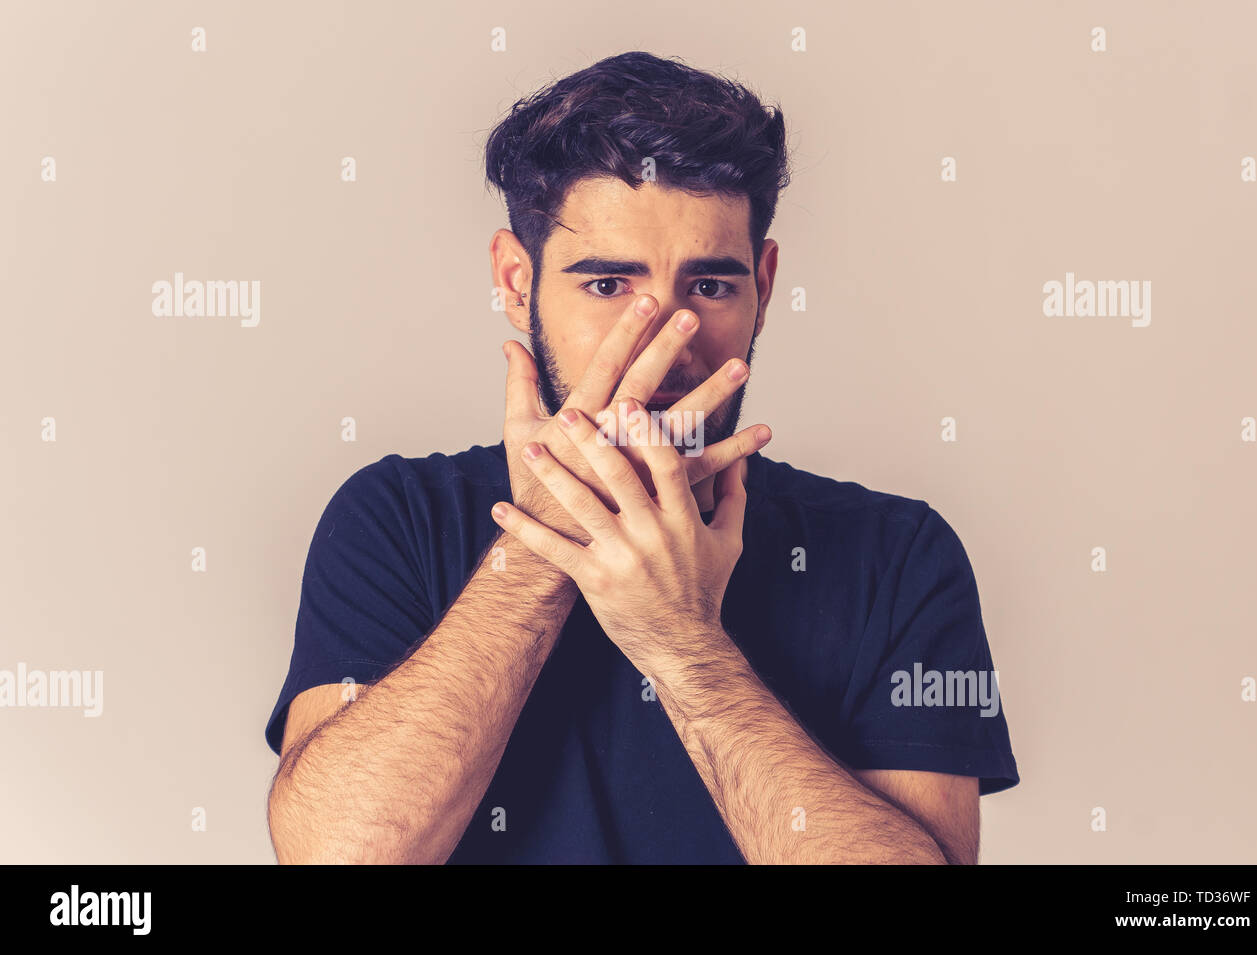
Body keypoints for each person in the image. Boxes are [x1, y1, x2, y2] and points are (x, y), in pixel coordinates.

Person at [265, 51, 1018, 864]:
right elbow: (340, 854)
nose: (664, 337)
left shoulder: (896, 554)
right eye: (607, 286)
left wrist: (683, 644)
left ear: (764, 284)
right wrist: (540, 547)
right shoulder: (398, 517)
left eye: (711, 287)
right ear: (516, 281)